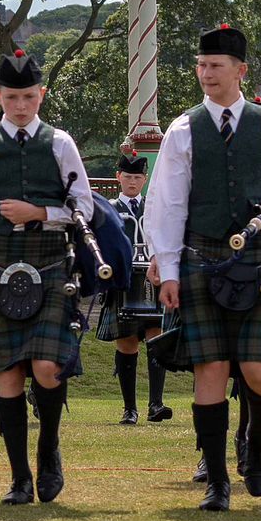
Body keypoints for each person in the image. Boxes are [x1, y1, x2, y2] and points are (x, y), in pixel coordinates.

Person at [144, 22, 261, 513]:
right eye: (200, 65)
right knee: (211, 371)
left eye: (215, 66)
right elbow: (167, 202)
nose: (205, 74)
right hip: (201, 259)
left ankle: (258, 441)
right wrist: (169, 269)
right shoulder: (183, 128)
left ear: (240, 71)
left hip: (259, 258)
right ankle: (216, 481)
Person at [0, 48, 90, 506]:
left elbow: (83, 208)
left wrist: (40, 212)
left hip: (50, 260)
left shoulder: (60, 143)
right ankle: (19, 478)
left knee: (48, 369)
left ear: (41, 94)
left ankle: (49, 448)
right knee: (7, 375)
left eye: (29, 96)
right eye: (12, 98)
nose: (21, 106)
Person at [100, 149, 173, 425]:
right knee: (127, 342)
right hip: (122, 280)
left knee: (156, 337)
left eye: (138, 177)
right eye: (128, 176)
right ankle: (129, 408)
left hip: (152, 279)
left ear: (145, 179)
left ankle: (156, 403)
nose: (132, 182)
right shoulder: (109, 208)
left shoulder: (152, 209)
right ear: (119, 177)